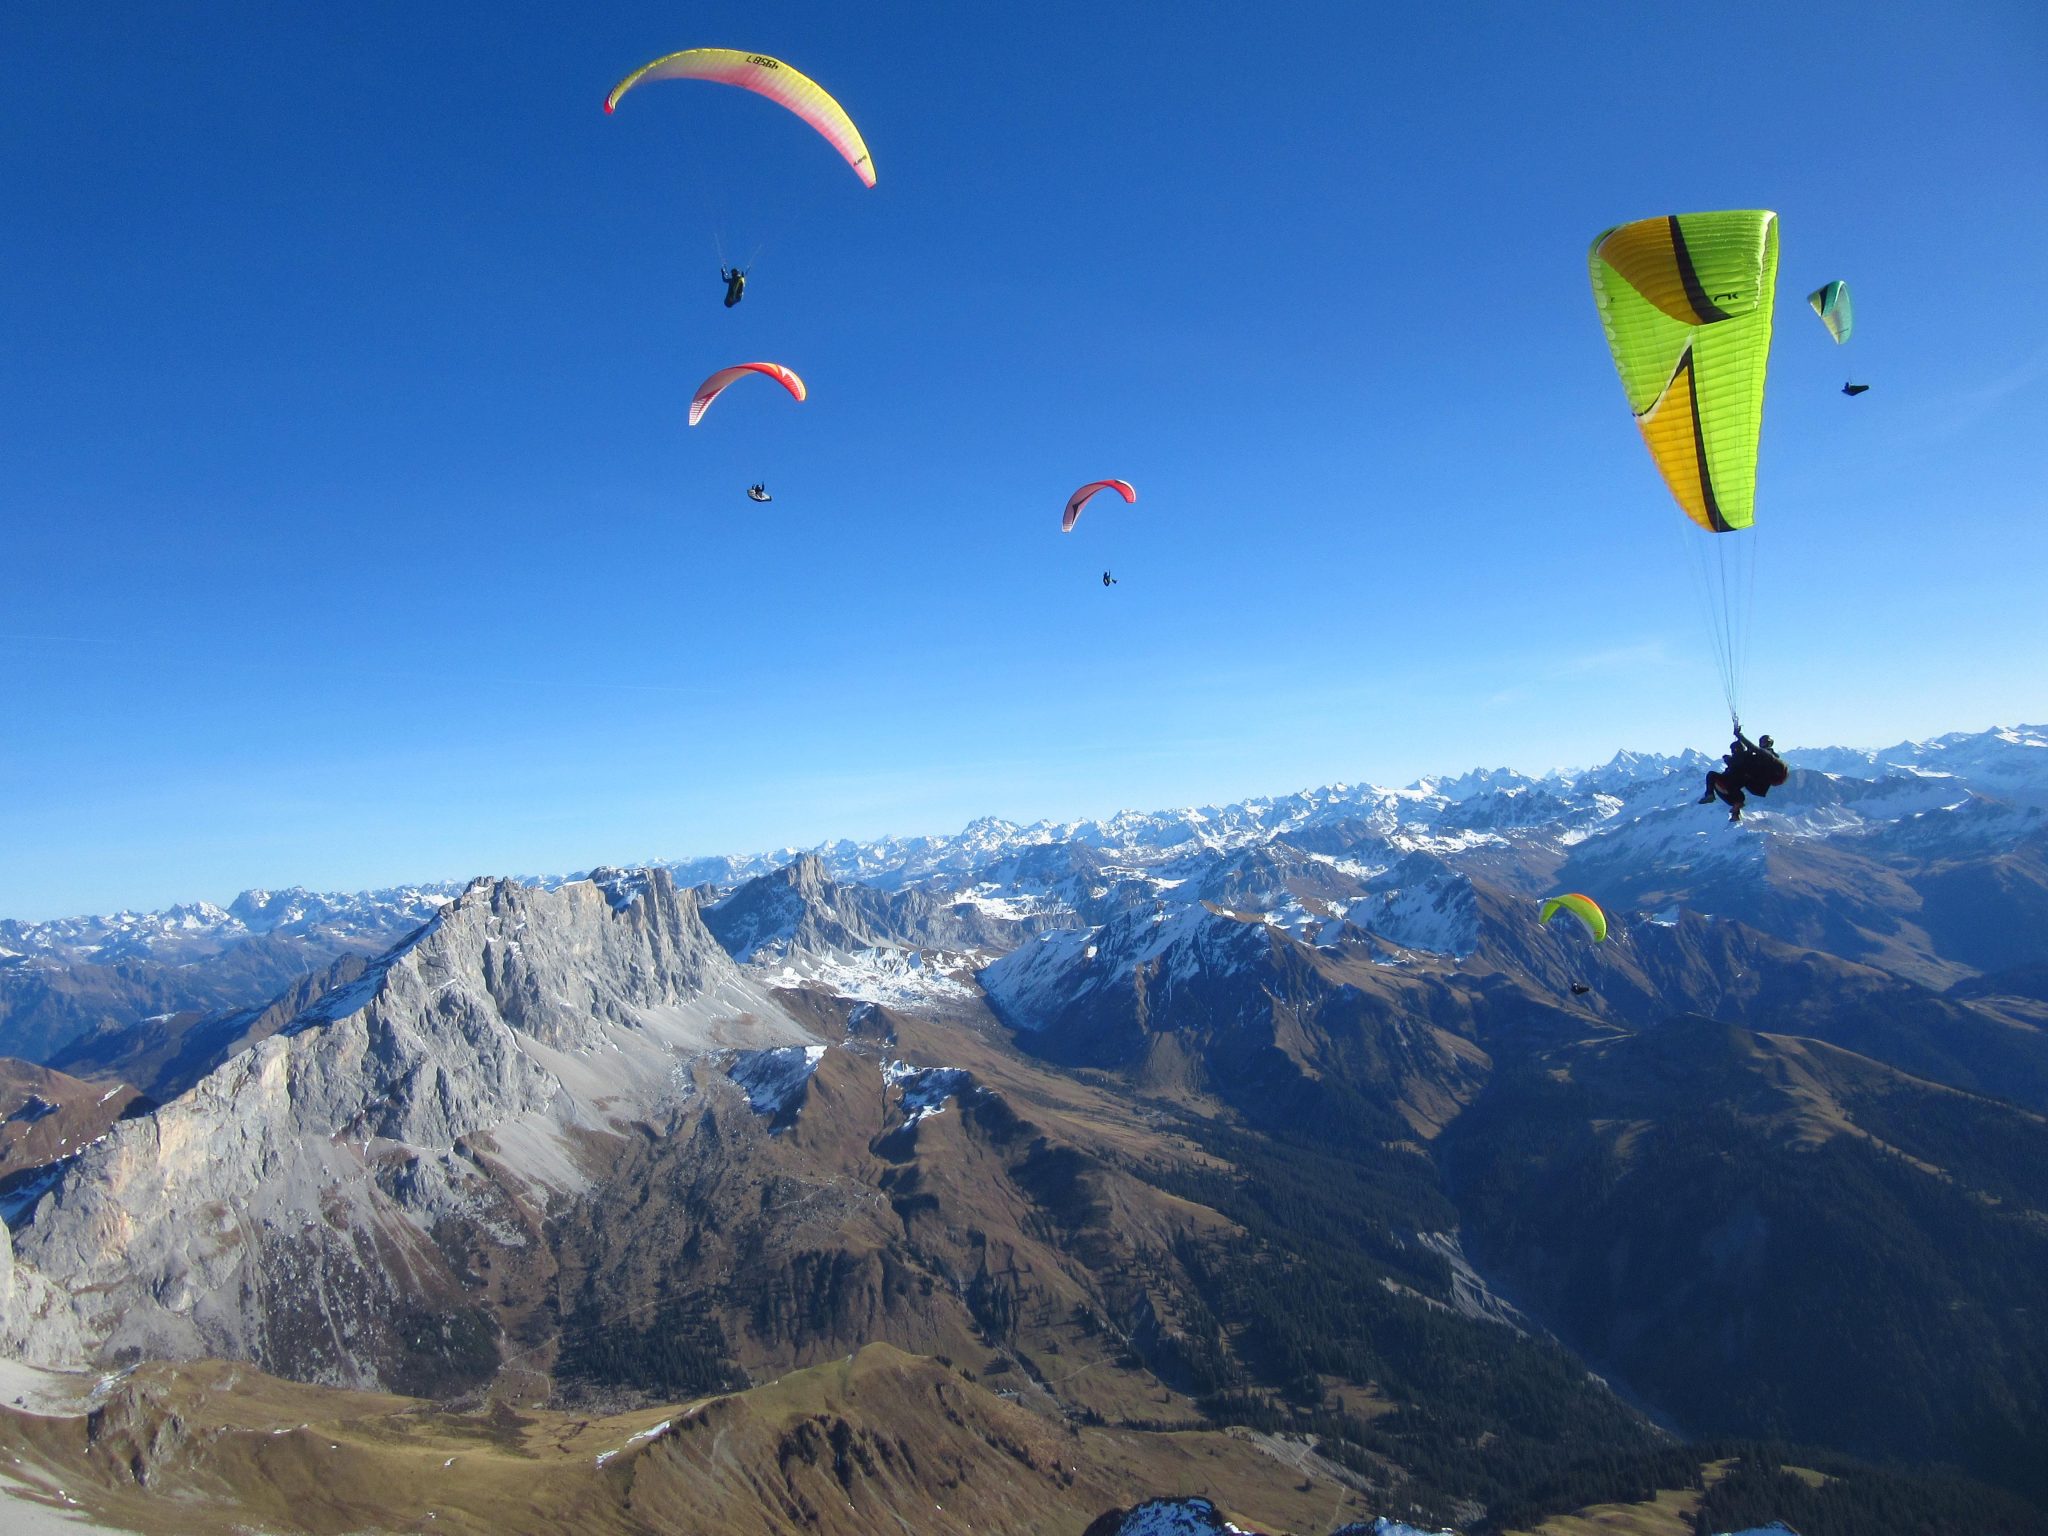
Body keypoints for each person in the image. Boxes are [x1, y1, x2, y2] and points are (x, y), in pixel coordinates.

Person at [1698, 729, 1786, 822]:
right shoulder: (1760, 756)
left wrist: (1739, 736)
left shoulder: (1766, 755)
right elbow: (1746, 755)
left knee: (1713, 776)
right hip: (1753, 782)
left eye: (1765, 742)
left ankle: (1710, 795)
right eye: (1762, 742)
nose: (1763, 744)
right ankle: (1735, 812)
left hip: (1754, 781)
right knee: (1735, 788)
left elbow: (1749, 751)